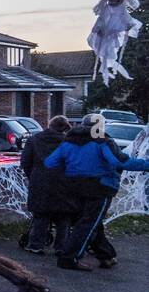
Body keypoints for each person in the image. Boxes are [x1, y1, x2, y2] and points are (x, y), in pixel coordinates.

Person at [44, 113, 149, 270]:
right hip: (100, 187)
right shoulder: (102, 141)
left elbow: (50, 162)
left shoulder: (68, 141)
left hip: (74, 188)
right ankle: (69, 258)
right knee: (88, 223)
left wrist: (73, 167)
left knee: (90, 222)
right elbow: (118, 161)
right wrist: (146, 165)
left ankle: (106, 255)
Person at [18, 114, 76, 254]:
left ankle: (36, 245)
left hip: (40, 182)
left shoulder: (34, 140)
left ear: (50, 125)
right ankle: (61, 247)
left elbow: (25, 162)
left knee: (41, 215)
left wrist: (33, 176)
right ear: (65, 128)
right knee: (63, 217)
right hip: (64, 183)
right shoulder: (69, 143)